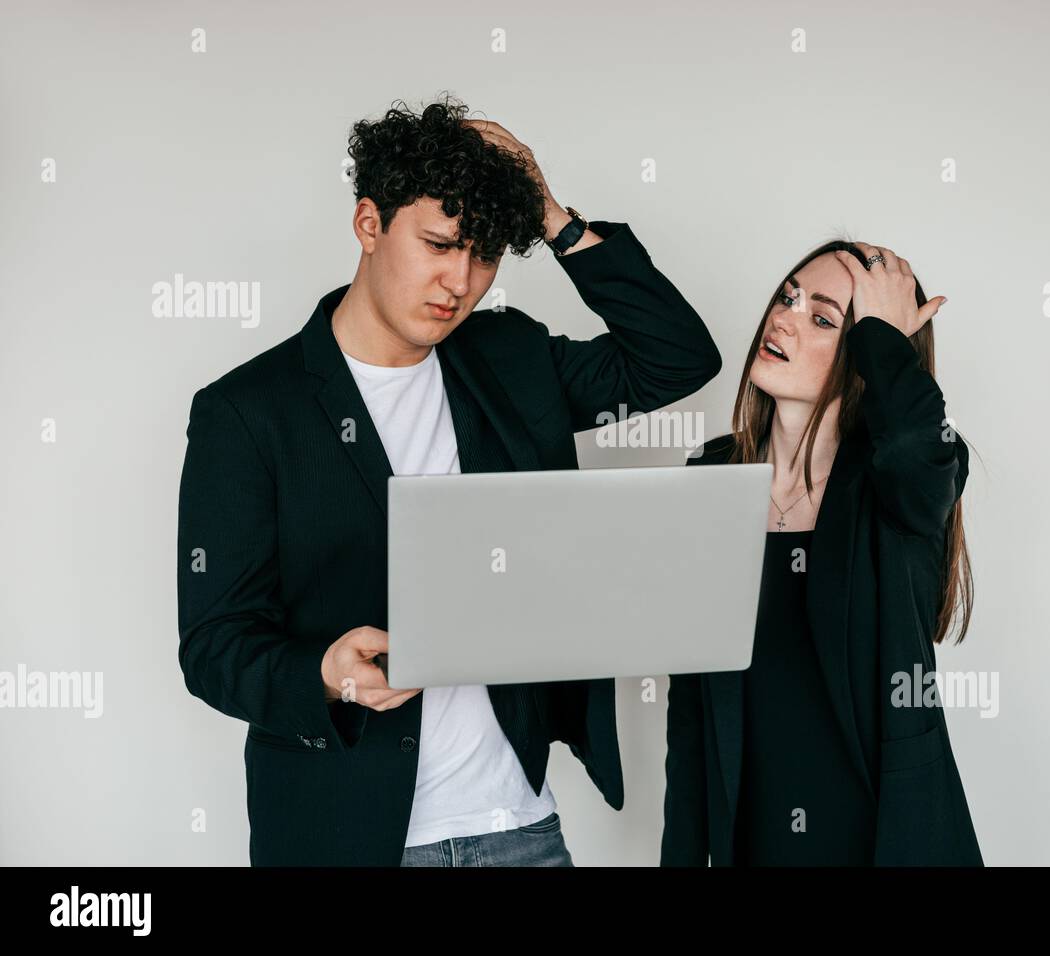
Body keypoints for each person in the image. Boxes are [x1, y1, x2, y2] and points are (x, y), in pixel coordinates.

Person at [176, 95, 722, 866]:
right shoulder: (247, 412)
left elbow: (677, 357)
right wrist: (324, 676)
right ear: (369, 224)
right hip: (346, 837)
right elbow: (213, 646)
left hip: (518, 830)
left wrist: (554, 217)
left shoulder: (511, 358)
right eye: (439, 244)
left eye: (485, 254)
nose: (460, 281)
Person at [660, 240, 982, 866]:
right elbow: (691, 713)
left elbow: (919, 448)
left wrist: (887, 341)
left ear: (867, 354)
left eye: (824, 318)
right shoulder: (711, 475)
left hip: (881, 840)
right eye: (788, 298)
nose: (783, 319)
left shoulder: (896, 484)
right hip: (750, 841)